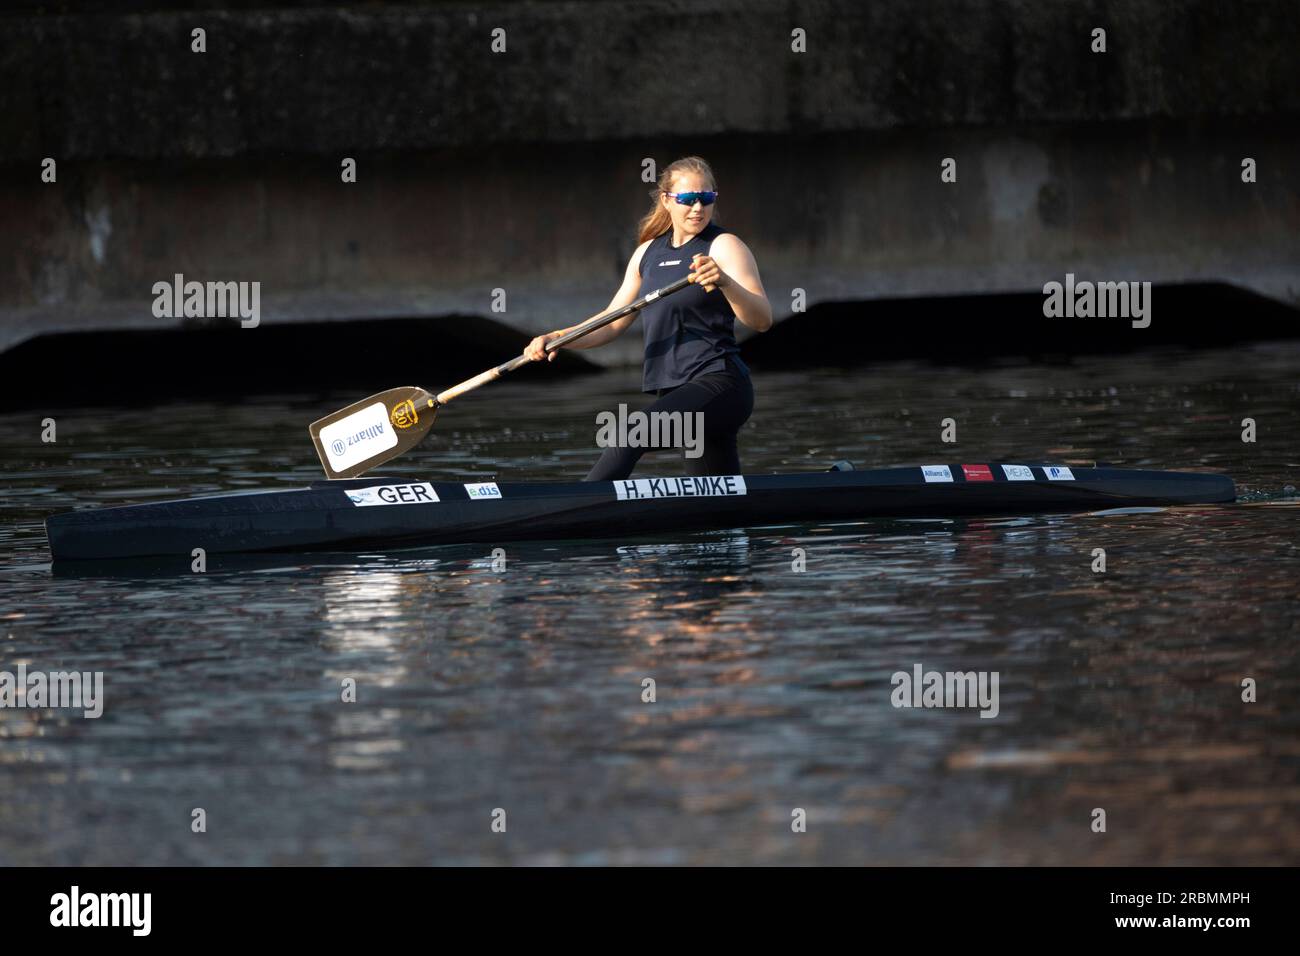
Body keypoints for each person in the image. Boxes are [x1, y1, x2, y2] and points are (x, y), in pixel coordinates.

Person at [525, 156, 772, 480]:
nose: (698, 208)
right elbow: (613, 322)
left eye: (707, 198)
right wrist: (558, 337)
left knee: (630, 432)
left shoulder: (723, 246)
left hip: (721, 384)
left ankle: (578, 507)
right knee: (714, 494)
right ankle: (737, 523)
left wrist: (725, 282)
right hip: (675, 390)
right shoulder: (647, 253)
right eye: (687, 199)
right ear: (667, 200)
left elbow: (762, 320)